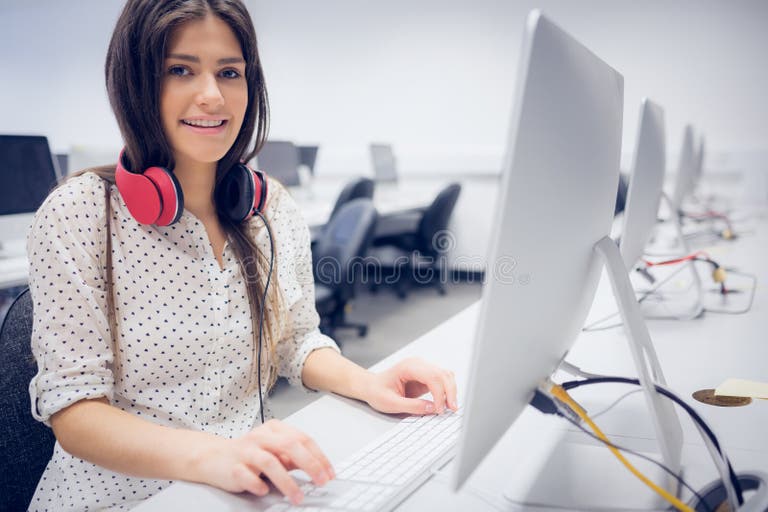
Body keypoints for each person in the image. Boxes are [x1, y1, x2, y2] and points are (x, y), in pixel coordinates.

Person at [26, 1, 457, 510]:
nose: (212, 95)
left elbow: (296, 342)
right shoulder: (79, 213)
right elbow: (75, 411)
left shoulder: (270, 207)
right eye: (180, 70)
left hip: (242, 484)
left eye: (229, 72)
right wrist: (214, 457)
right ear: (136, 83)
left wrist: (370, 381)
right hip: (121, 496)